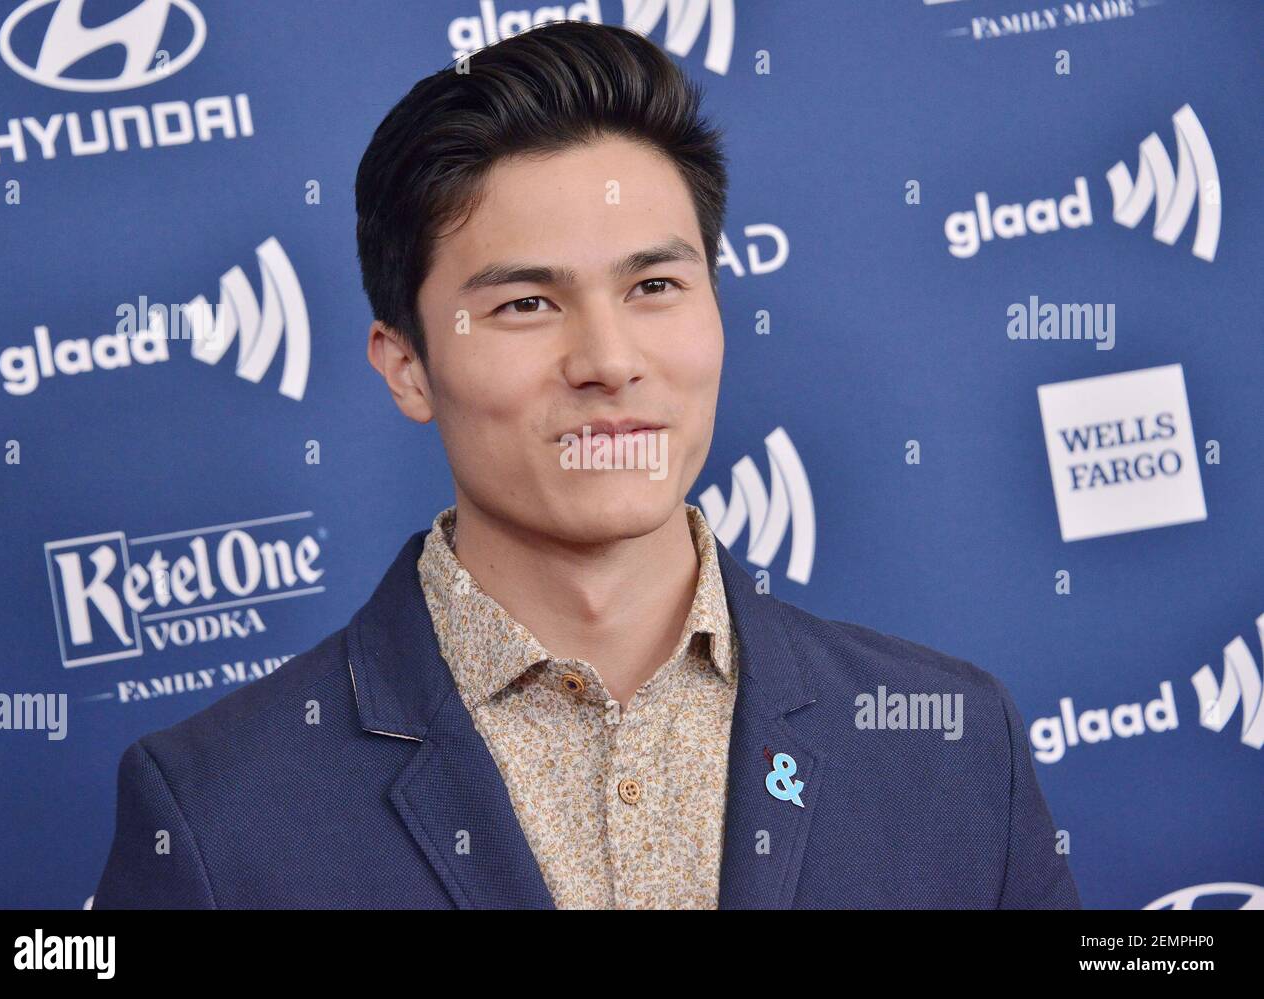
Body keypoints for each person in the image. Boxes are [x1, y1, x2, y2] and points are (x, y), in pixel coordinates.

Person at [93, 20, 1080, 909]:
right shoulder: (220, 811)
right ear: (406, 366)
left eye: (654, 284)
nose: (609, 361)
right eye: (526, 304)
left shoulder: (951, 746)